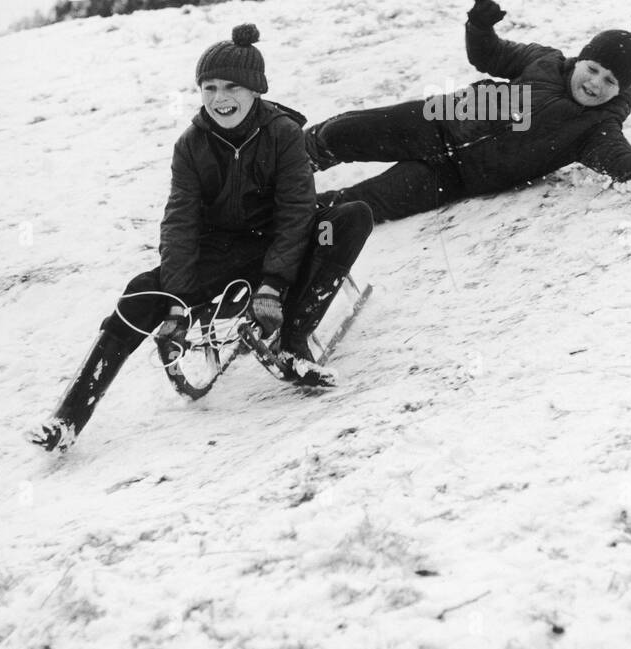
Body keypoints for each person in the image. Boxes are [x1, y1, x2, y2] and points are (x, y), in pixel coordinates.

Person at [29, 24, 374, 453]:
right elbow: (179, 224)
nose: (219, 98)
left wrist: (273, 285)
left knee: (349, 217)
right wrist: (178, 299)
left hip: (282, 244)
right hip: (224, 253)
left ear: (255, 90)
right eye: (209, 87)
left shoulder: (283, 134)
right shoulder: (191, 145)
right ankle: (68, 418)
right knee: (139, 292)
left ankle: (293, 342)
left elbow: (295, 213)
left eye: (231, 87)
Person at [305, 0, 631, 223]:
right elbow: (489, 55)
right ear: (580, 60)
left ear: (621, 90)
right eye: (593, 69)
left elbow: (626, 171)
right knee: (344, 132)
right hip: (441, 120)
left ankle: (286, 221)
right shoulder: (543, 61)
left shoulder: (597, 129)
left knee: (363, 202)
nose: (595, 84)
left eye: (610, 81)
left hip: (452, 179)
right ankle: (287, 159)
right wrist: (480, 26)